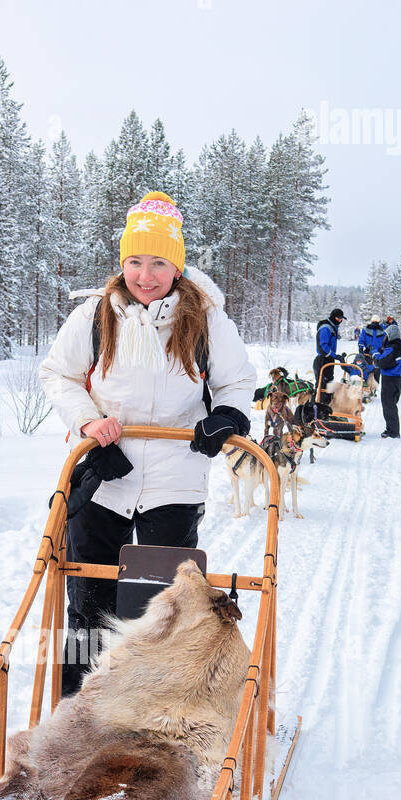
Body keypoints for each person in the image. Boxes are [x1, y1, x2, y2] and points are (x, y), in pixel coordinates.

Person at [39, 190, 255, 696]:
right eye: (135, 261)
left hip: (175, 480)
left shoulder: (205, 319)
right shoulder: (96, 315)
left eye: (159, 262)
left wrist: (225, 415)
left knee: (159, 605)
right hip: (103, 476)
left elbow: (237, 382)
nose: (146, 274)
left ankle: (144, 707)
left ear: (176, 266)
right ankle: (77, 702)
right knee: (88, 600)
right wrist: (90, 424)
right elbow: (58, 374)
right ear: (122, 263)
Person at [372, 320, 401, 438]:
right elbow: (388, 357)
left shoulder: (393, 348)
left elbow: (382, 363)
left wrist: (375, 355)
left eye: (386, 335)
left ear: (390, 336)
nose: (385, 337)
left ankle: (392, 432)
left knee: (389, 406)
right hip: (395, 380)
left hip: (390, 380)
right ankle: (392, 429)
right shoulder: (398, 347)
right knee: (391, 405)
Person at [314, 308, 346, 401]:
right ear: (334, 317)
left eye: (342, 318)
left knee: (328, 383)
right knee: (322, 385)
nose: (341, 320)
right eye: (339, 318)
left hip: (328, 359)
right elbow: (323, 347)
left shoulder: (332, 327)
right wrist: (336, 356)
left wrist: (337, 356)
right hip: (322, 360)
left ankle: (326, 407)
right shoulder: (326, 328)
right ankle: (318, 408)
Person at [358, 314, 386, 393]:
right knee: (366, 370)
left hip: (377, 354)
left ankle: (374, 389)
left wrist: (383, 350)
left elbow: (385, 341)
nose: (374, 323)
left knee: (376, 371)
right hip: (368, 353)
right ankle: (365, 388)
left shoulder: (383, 330)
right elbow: (361, 340)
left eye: (375, 321)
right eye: (374, 321)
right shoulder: (366, 329)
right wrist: (360, 349)